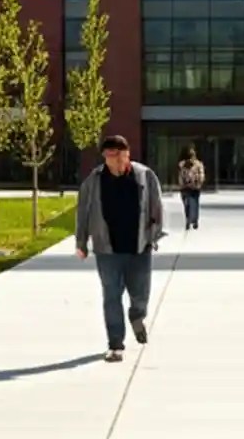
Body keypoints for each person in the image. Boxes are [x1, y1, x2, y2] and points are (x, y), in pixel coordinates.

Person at [74, 135, 166, 363]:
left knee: (140, 294)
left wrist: (154, 235)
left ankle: (137, 316)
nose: (116, 161)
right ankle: (115, 344)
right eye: (111, 156)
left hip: (139, 247)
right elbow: (83, 212)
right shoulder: (93, 180)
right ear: (105, 156)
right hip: (107, 250)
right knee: (111, 296)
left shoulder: (144, 175)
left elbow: (156, 206)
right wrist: (81, 242)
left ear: (127, 154)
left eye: (120, 155)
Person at [177, 145, 205, 230]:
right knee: (186, 204)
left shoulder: (198, 165)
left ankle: (194, 220)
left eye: (192, 156)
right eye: (189, 156)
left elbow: (201, 174)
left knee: (194, 204)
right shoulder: (182, 165)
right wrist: (181, 184)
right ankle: (188, 219)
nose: (190, 158)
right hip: (185, 188)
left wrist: (199, 183)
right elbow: (180, 176)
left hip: (195, 187)